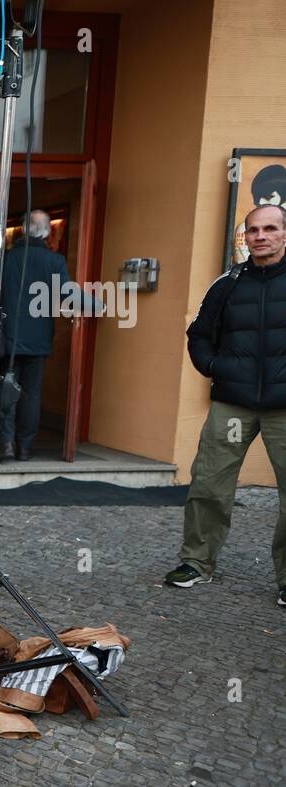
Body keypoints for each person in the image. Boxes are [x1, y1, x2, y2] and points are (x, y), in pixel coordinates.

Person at [166, 203, 286, 608]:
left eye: (270, 228)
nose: (261, 236)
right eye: (253, 230)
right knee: (209, 483)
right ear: (245, 237)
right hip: (232, 402)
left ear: (284, 234)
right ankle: (196, 562)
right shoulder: (229, 283)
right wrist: (214, 366)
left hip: (283, 405)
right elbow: (198, 334)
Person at [0, 209, 68, 461]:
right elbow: (66, 296)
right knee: (31, 394)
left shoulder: (5, 259)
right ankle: (25, 446)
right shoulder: (56, 262)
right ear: (48, 231)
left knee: (5, 390)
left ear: (24, 229)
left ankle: (5, 443)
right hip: (39, 339)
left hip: (8, 339)